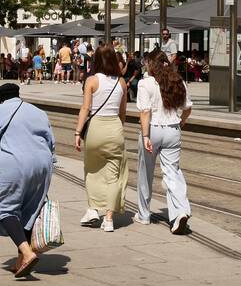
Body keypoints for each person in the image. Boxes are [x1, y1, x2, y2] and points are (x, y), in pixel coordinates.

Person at [0, 83, 55, 278]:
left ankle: (27, 252)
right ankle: (20, 261)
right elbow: (51, 141)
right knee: (30, 211)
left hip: (15, 163)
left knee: (5, 209)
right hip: (43, 163)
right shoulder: (38, 111)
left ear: (0, 98)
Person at [135, 51, 193, 234]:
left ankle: (144, 215)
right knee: (172, 173)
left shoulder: (146, 84)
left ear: (152, 65)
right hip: (173, 130)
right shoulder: (178, 81)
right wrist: (182, 121)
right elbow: (188, 107)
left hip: (152, 130)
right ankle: (180, 212)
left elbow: (145, 112)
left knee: (145, 173)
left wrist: (145, 136)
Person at [74, 43, 128, 233]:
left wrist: (78, 132)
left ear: (95, 60)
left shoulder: (91, 81)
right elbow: (123, 113)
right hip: (114, 128)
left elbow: (85, 109)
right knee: (113, 176)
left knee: (91, 170)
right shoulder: (121, 83)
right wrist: (118, 130)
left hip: (95, 129)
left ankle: (93, 209)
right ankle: (109, 219)